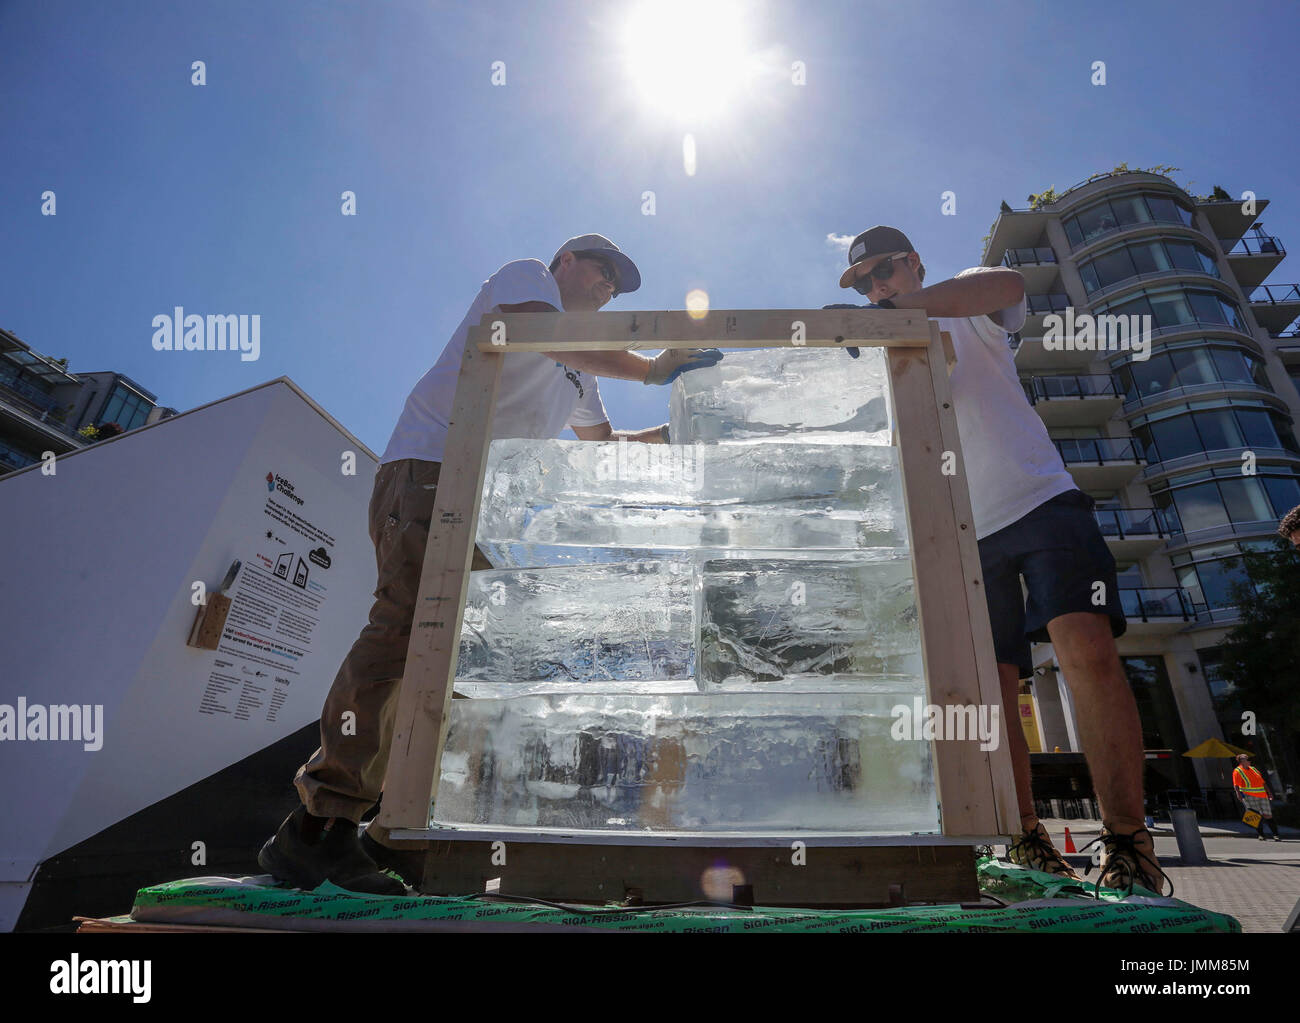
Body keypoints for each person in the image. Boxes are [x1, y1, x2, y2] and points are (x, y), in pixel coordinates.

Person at [258, 233, 721, 893]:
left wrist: (676, 434)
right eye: (601, 273)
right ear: (563, 261)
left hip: (475, 499)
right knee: (406, 631)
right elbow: (530, 333)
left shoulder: (581, 370)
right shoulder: (524, 279)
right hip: (428, 471)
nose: (606, 289)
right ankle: (318, 825)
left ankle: (388, 827)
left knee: (460, 659)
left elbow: (602, 444)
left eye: (615, 288)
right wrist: (649, 367)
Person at [831, 225, 1171, 897]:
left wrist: (910, 304)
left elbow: (1011, 286)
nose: (877, 287)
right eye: (865, 281)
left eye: (885, 272)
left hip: (1042, 499)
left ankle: (1129, 842)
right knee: (994, 690)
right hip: (961, 530)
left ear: (914, 262)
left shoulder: (964, 304)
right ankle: (1026, 835)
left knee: (1088, 654)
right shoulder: (880, 346)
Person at [1232, 753, 1281, 841]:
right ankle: (1261, 835)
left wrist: (1269, 793)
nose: (1249, 760)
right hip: (1248, 796)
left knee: (1268, 815)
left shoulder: (1254, 769)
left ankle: (1276, 835)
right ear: (1241, 761)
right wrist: (1238, 794)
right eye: (1247, 759)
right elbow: (1236, 785)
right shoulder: (1237, 771)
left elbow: (1263, 782)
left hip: (1262, 795)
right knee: (1255, 816)